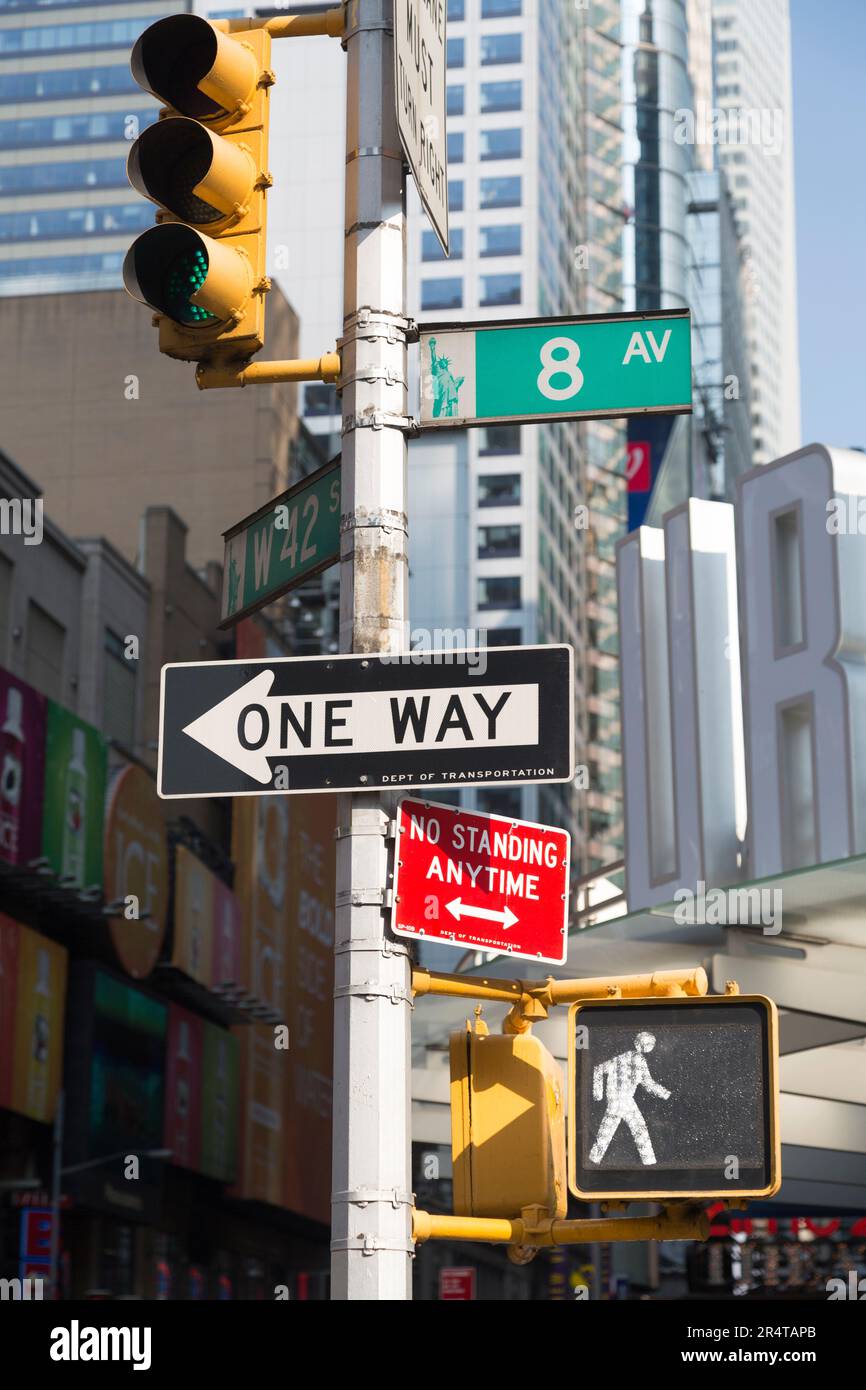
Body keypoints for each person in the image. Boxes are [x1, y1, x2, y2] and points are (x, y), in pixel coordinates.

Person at [589, 1030, 670, 1166]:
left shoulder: (620, 1058)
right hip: (625, 1102)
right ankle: (649, 1163)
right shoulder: (639, 1060)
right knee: (639, 1131)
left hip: (615, 1102)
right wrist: (666, 1094)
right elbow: (648, 1084)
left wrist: (598, 1095)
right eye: (650, 1044)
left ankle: (593, 1160)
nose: (651, 1046)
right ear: (645, 1045)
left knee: (606, 1134)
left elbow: (598, 1069)